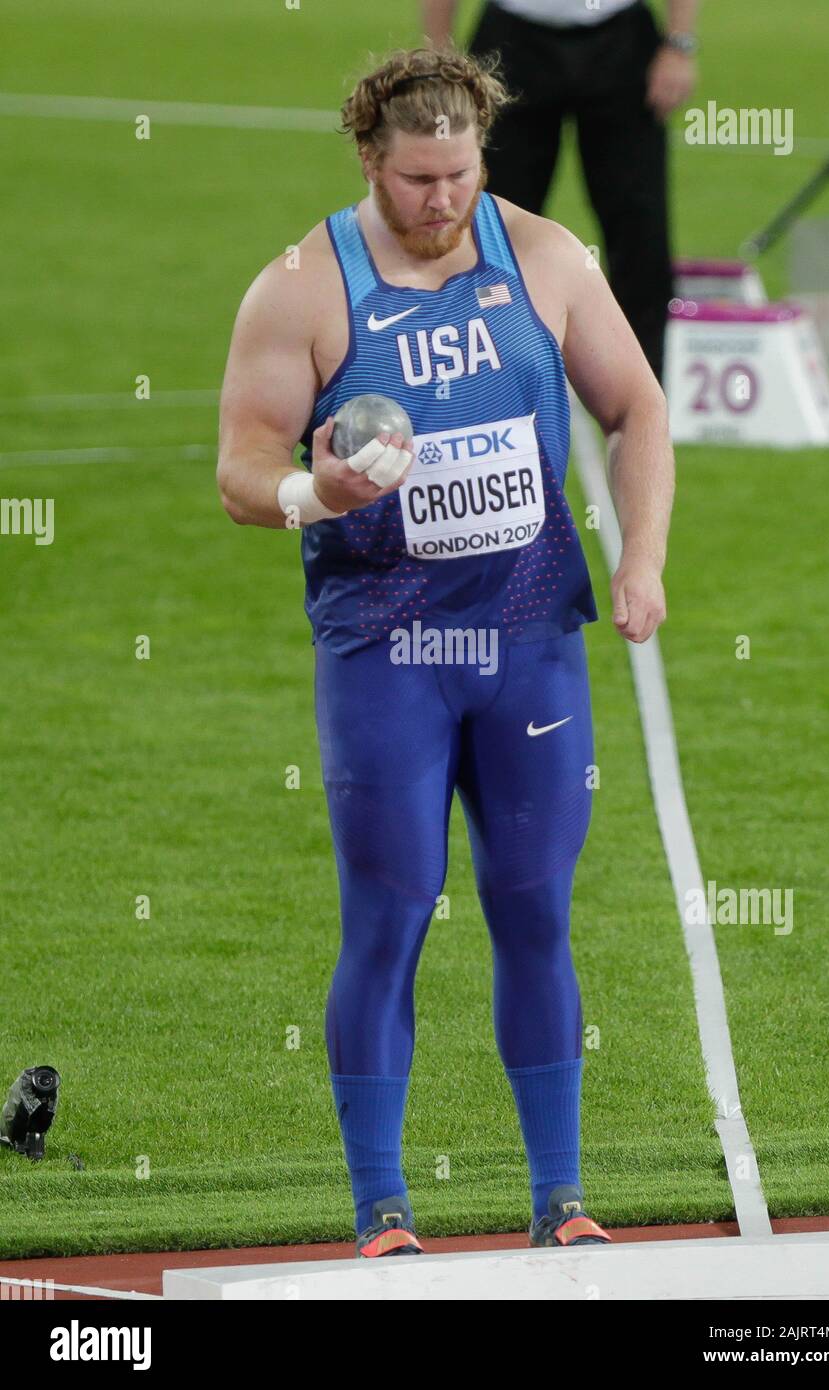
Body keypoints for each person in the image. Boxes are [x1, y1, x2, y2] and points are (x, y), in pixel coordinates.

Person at [216, 45, 674, 1258]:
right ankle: (381, 1209)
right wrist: (315, 496)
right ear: (371, 160)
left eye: (460, 175)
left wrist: (639, 560)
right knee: (392, 908)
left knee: (534, 905)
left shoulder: (547, 259)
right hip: (388, 652)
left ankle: (561, 1201)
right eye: (417, 180)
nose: (442, 203)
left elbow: (637, 407)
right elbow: (238, 470)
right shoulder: (305, 288)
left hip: (529, 643)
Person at [422, 0, 701, 382]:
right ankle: (484, 392)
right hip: (512, 43)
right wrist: (440, 58)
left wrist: (678, 44)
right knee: (489, 234)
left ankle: (644, 404)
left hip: (622, 40)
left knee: (641, 236)